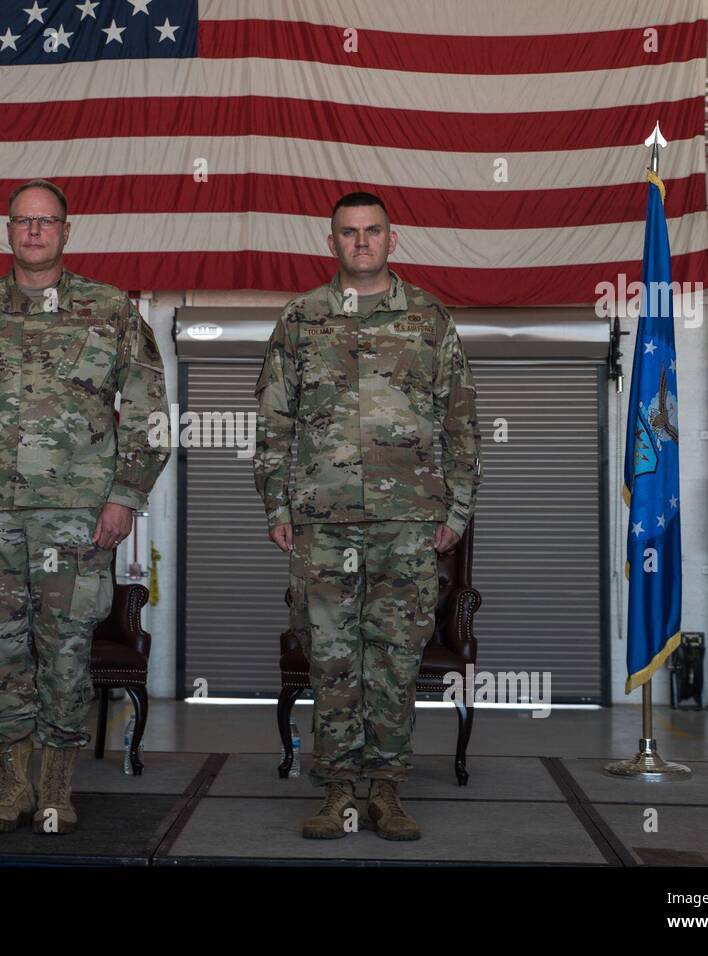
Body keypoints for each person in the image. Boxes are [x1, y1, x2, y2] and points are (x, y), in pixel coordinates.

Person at [0, 179, 170, 834]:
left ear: (66, 231)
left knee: (68, 652)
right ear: (8, 230)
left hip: (77, 516)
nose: (34, 231)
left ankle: (57, 786)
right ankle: (12, 784)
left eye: (46, 221)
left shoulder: (110, 313)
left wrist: (126, 496)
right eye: (23, 221)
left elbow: (149, 416)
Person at [253, 191, 483, 840]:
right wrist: (276, 505)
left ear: (392, 239)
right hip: (320, 523)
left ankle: (386, 790)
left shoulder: (430, 321)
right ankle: (336, 793)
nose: (361, 243)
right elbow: (273, 421)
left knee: (394, 658)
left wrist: (457, 509)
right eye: (348, 233)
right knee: (329, 658)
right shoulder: (301, 320)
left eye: (371, 232)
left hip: (406, 522)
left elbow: (461, 420)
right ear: (332, 243)